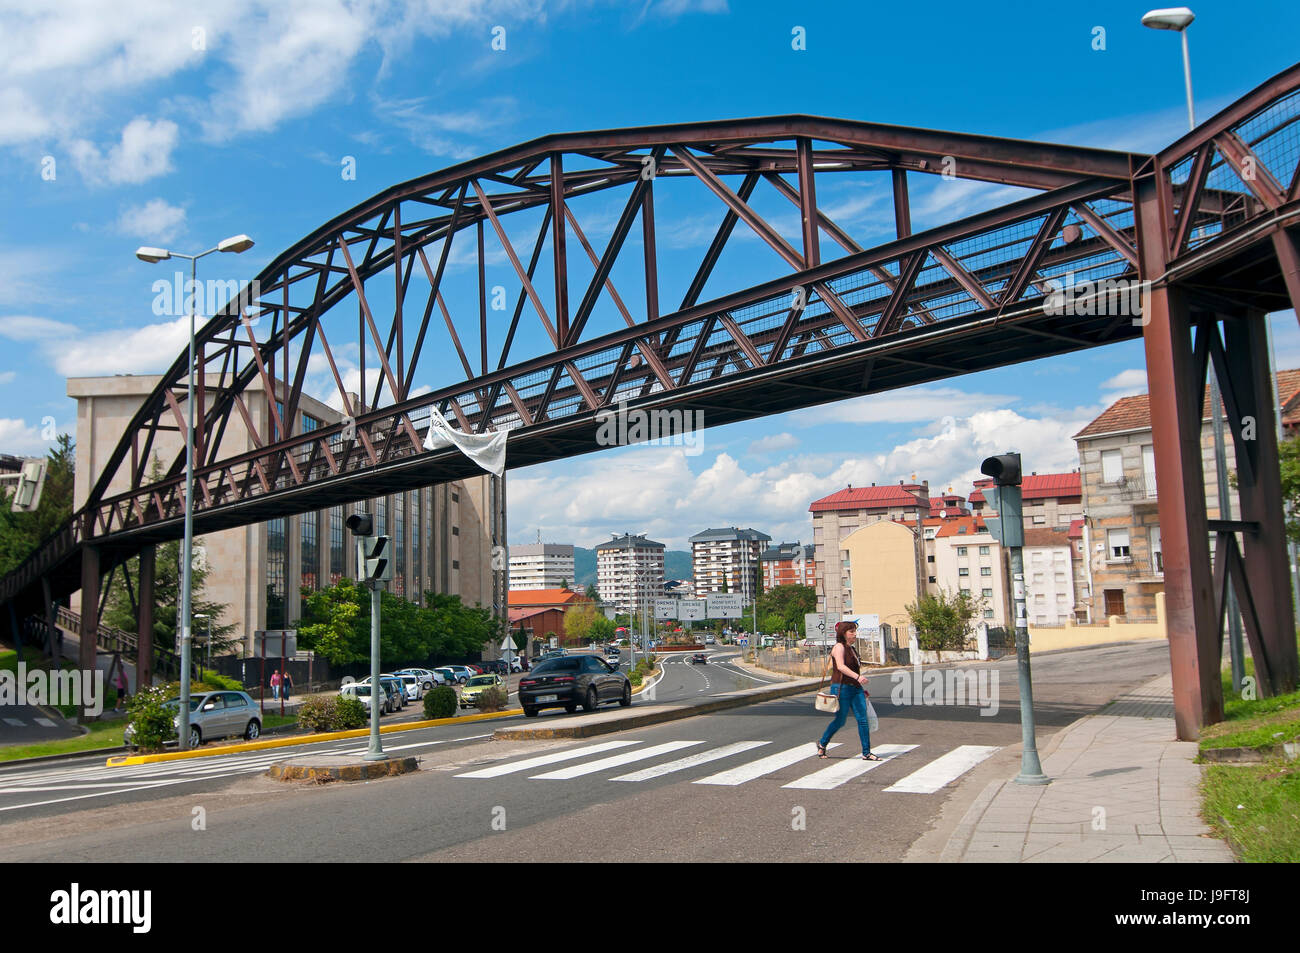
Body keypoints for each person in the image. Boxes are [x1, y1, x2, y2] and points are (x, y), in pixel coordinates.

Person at [816, 620, 880, 761]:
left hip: (856, 688)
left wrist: (860, 686)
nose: (854, 634)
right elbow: (840, 666)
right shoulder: (839, 647)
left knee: (863, 720)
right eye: (851, 631)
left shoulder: (851, 648)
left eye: (854, 631)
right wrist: (858, 677)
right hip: (841, 687)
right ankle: (822, 743)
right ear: (843, 634)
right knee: (840, 720)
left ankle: (866, 752)